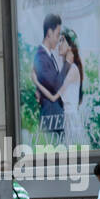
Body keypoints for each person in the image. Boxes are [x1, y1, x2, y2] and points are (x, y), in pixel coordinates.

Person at [33, 13, 67, 141]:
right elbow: (56, 85)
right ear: (49, 32)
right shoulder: (41, 57)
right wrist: (67, 64)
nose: (58, 39)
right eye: (57, 34)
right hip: (50, 118)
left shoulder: (48, 56)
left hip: (55, 118)